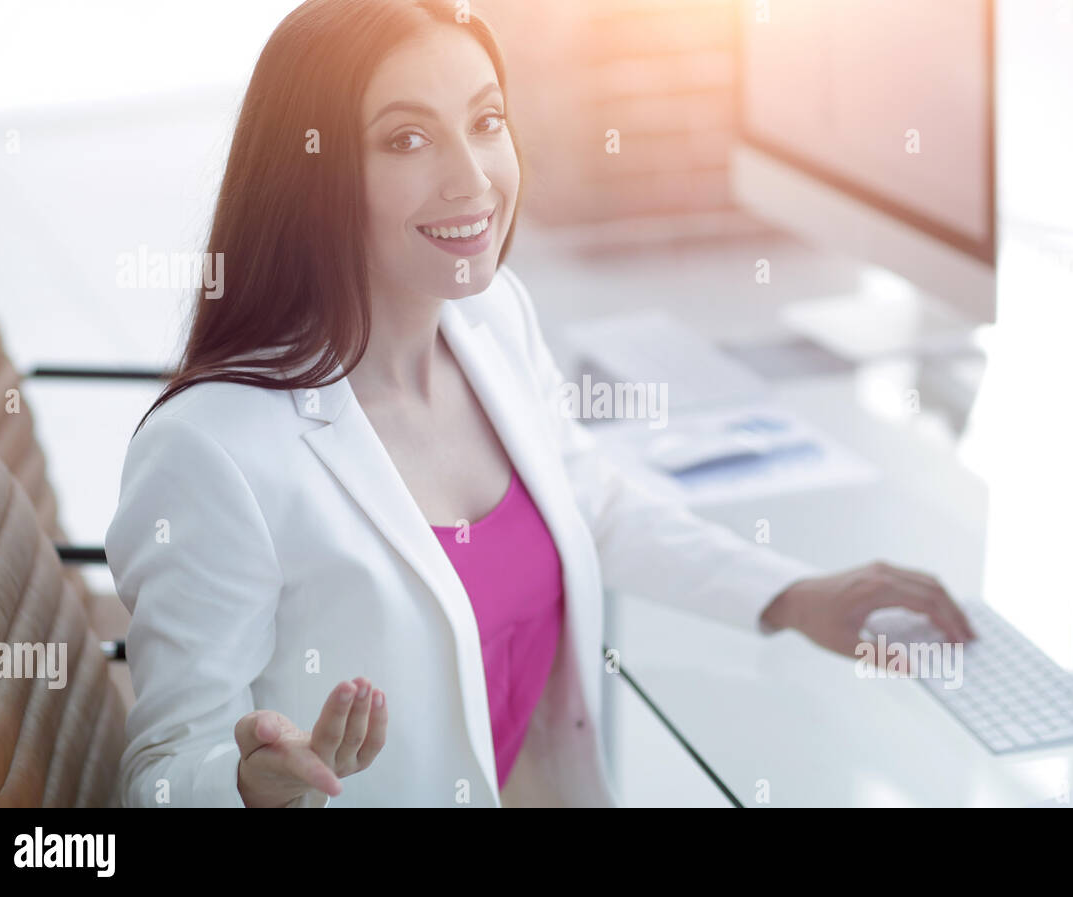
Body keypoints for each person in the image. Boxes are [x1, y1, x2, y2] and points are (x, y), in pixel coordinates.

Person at [105, 0, 974, 808]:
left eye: (485, 123)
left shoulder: (490, 313)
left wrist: (789, 593)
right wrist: (250, 789)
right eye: (407, 140)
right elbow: (160, 776)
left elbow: (590, 502)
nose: (471, 179)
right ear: (312, 175)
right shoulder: (210, 453)